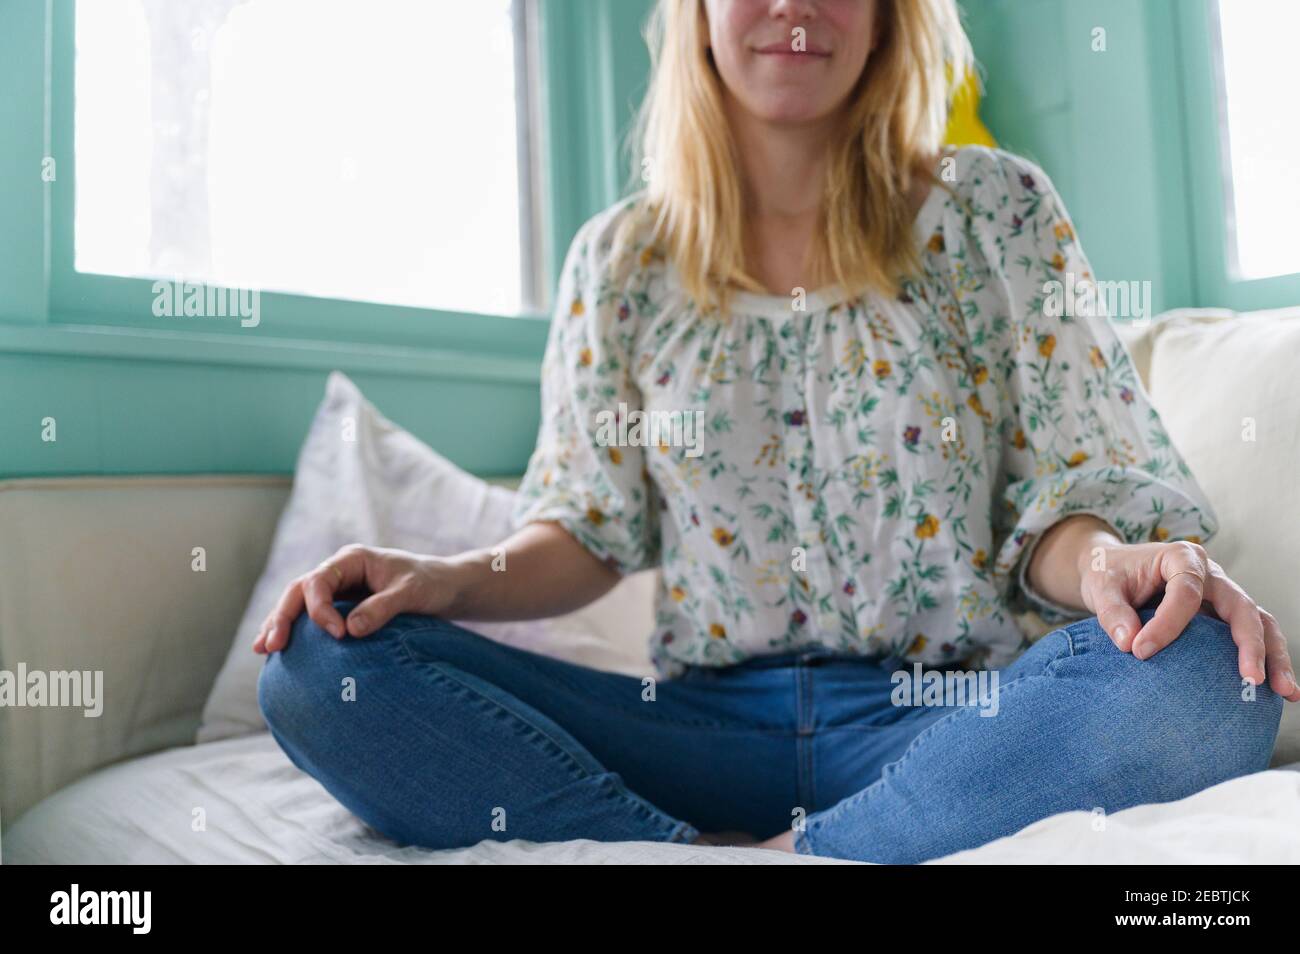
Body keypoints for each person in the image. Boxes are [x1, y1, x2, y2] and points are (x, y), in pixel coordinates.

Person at [255, 0, 1293, 863]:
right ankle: (694, 848)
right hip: (689, 724)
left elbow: (1062, 509)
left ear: (888, 17)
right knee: (317, 664)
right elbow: (584, 529)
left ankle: (800, 858)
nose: (793, 7)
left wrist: (1116, 558)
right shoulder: (616, 265)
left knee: (1207, 673)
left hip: (946, 718)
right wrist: (444, 578)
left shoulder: (995, 211)